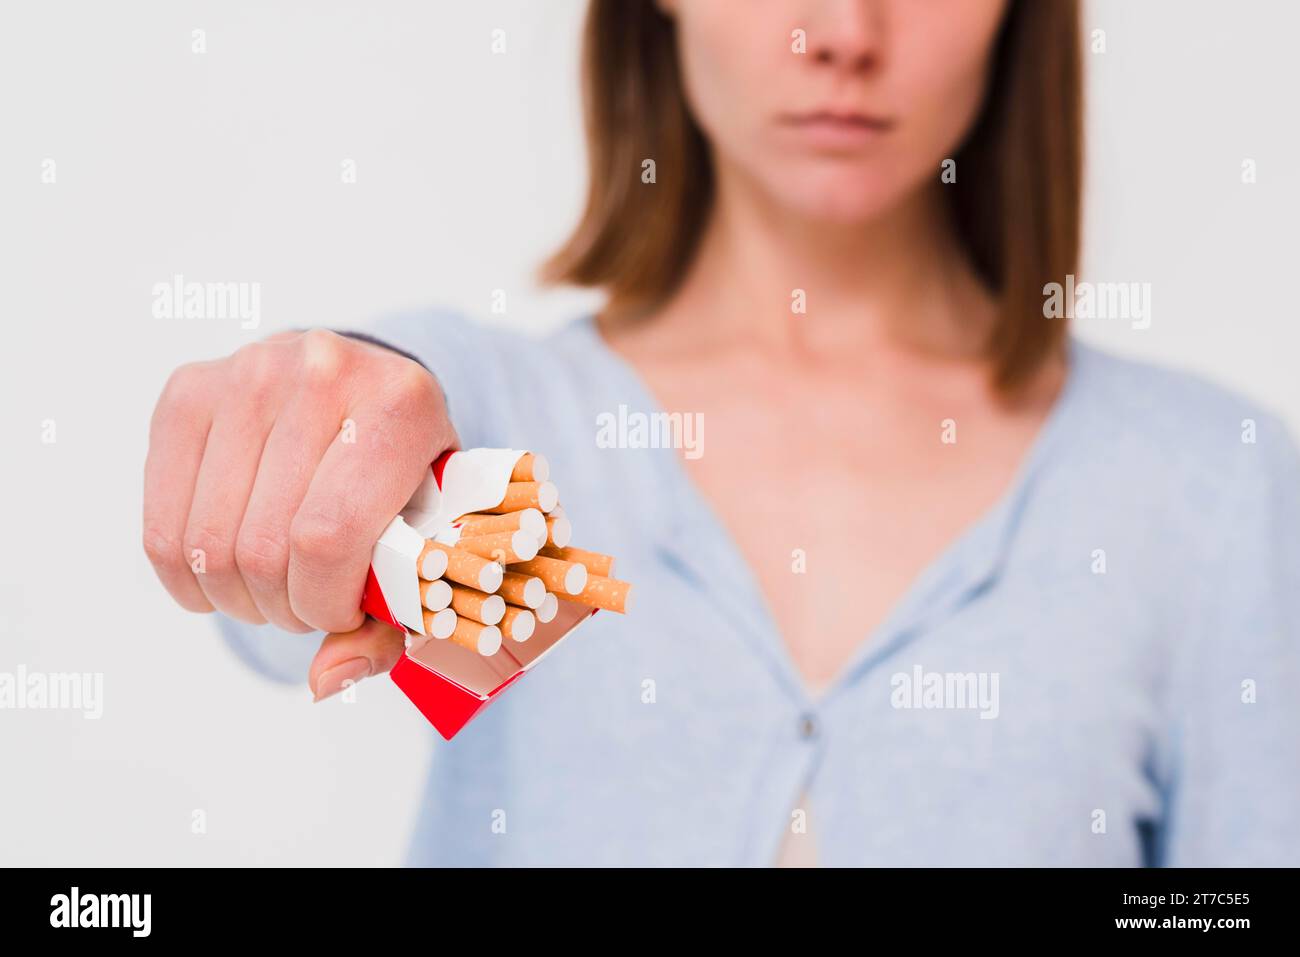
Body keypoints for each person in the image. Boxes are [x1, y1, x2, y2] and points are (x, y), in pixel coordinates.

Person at [142, 0, 1300, 866]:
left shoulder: (1208, 489)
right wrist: (304, 447)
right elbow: (278, 604)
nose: (845, 31)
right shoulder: (496, 419)